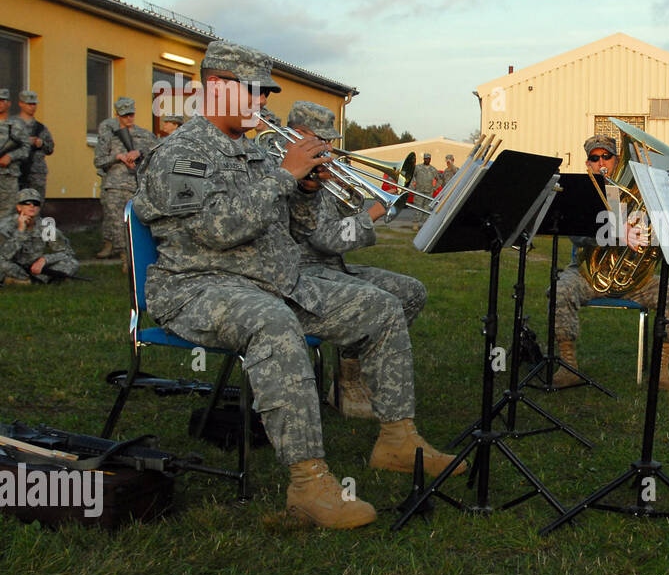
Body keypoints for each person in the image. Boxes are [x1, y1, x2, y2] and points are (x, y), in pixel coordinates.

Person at [134, 40, 461, 531]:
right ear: (217, 87)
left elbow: (301, 229)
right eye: (253, 90)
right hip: (198, 286)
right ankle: (308, 483)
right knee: (273, 323)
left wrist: (306, 189)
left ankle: (397, 440)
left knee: (381, 306)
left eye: (266, 93)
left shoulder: (254, 152)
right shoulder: (180, 153)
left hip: (272, 279)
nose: (262, 101)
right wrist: (286, 176)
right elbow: (216, 231)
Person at [285, 101, 429, 418]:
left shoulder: (318, 170)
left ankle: (351, 372)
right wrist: (376, 211)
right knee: (379, 301)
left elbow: (341, 221)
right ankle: (351, 387)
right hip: (304, 274)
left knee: (412, 291)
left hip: (333, 268)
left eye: (329, 140)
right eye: (320, 139)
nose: (328, 147)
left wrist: (347, 191)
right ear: (297, 134)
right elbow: (327, 239)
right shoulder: (287, 174)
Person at [549, 133, 669, 391]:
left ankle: (661, 368)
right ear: (588, 163)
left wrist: (653, 235)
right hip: (588, 275)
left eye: (607, 156)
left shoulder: (640, 194)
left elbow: (658, 234)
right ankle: (568, 366)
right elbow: (577, 235)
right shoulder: (582, 194)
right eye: (594, 158)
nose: (601, 162)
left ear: (617, 159)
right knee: (560, 289)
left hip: (633, 281)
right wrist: (616, 233)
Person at [94, 97, 157, 260]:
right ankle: (123, 256)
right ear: (117, 115)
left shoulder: (145, 135)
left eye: (131, 114)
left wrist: (139, 153)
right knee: (115, 221)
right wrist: (117, 157)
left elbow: (157, 153)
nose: (129, 118)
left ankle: (134, 254)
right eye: (125, 115)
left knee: (135, 222)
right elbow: (99, 160)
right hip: (114, 185)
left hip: (137, 186)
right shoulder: (109, 137)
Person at [0, 188, 80, 284]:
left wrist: (44, 260)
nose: (32, 206)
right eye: (27, 203)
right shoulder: (5, 226)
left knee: (72, 263)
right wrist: (20, 231)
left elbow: (67, 252)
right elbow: (4, 255)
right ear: (19, 207)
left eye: (36, 203)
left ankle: (27, 281)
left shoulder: (46, 227)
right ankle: (40, 280)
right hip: (12, 266)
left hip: (36, 267)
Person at [15, 91, 54, 200]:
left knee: (36, 203)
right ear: (21, 104)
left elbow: (50, 148)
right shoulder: (11, 125)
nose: (32, 107)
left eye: (34, 104)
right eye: (29, 104)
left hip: (36, 172)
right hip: (15, 170)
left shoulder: (41, 128)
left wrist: (41, 144)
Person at [0, 89, 31, 214]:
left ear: (9, 103)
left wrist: (10, 156)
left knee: (7, 213)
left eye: (3, 100)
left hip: (8, 177)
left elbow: (26, 148)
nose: (0, 103)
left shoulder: (17, 125)